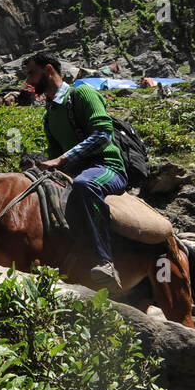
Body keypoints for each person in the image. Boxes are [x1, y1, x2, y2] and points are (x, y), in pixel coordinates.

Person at [24, 53, 127, 292]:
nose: (28, 81)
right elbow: (54, 156)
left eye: (32, 73)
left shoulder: (82, 94)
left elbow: (103, 134)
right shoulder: (49, 115)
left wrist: (63, 158)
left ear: (49, 69)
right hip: (75, 172)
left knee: (85, 185)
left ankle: (106, 262)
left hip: (106, 167)